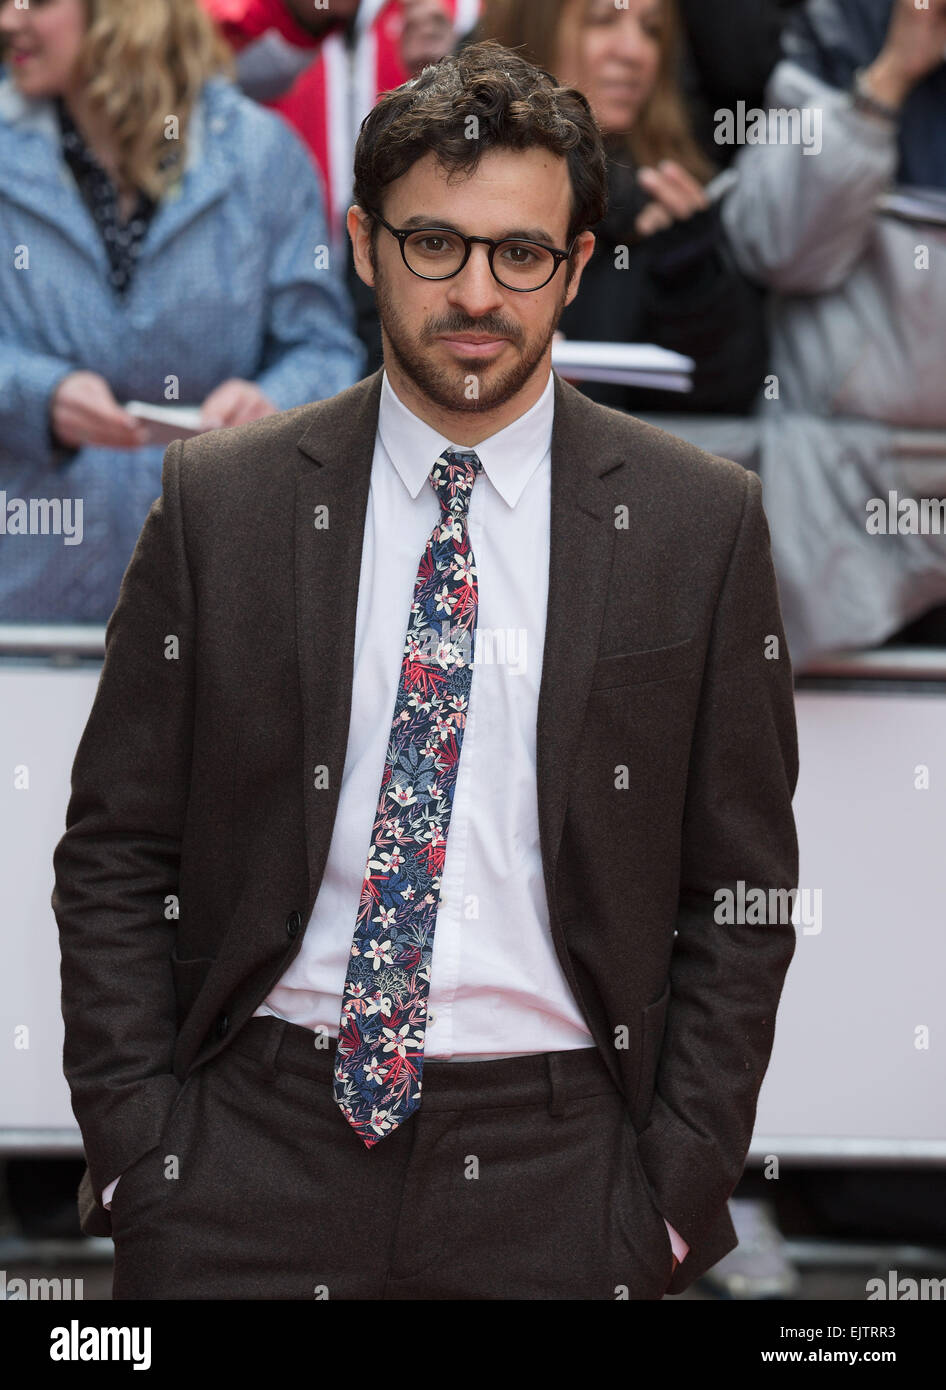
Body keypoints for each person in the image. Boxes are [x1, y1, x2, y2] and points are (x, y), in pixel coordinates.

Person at [52, 40, 799, 1301]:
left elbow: (741, 893)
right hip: (248, 1151)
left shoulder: (696, 524)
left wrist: (669, 1193)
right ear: (361, 243)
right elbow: (118, 847)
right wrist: (142, 1157)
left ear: (571, 270)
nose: (475, 292)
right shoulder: (219, 503)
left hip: (564, 1172)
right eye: (434, 244)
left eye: (519, 254)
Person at [0, 0, 363, 623]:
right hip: (26, 602)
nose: (8, 20)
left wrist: (270, 406)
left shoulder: (262, 156)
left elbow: (326, 349)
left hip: (214, 606)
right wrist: (39, 395)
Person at [712, 0, 946, 665]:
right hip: (843, 501)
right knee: (845, 757)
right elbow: (779, 245)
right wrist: (890, 79)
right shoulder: (841, 31)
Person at [476, 0, 768, 416]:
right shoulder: (440, 174)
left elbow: (726, 392)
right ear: (532, 33)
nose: (634, 52)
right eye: (603, 21)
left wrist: (692, 270)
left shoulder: (674, 197)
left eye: (651, 30)